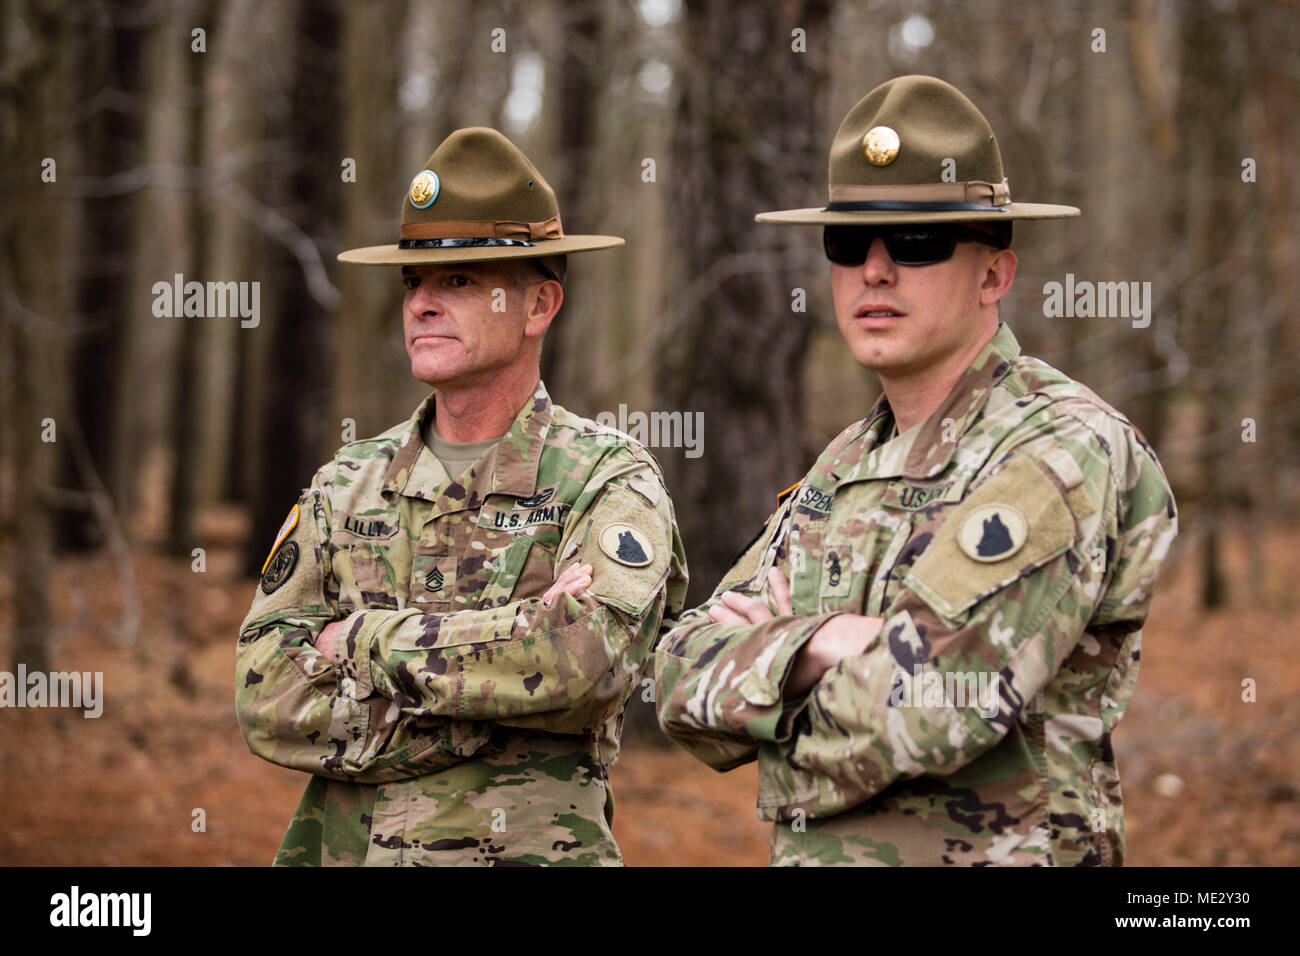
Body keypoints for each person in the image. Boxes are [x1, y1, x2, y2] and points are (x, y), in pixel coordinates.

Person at [654, 75, 1177, 866]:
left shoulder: (1060, 449)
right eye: (847, 242)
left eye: (918, 240)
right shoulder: (844, 465)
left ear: (993, 276)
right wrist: (828, 640)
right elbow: (674, 676)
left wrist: (767, 701)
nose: (874, 269)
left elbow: (935, 705)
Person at [236, 127, 687, 866]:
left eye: (461, 281)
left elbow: (584, 663)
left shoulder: (607, 479)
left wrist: (360, 641)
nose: (421, 303)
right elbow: (265, 692)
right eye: (414, 281)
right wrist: (503, 705)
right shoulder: (347, 483)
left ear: (539, 305)